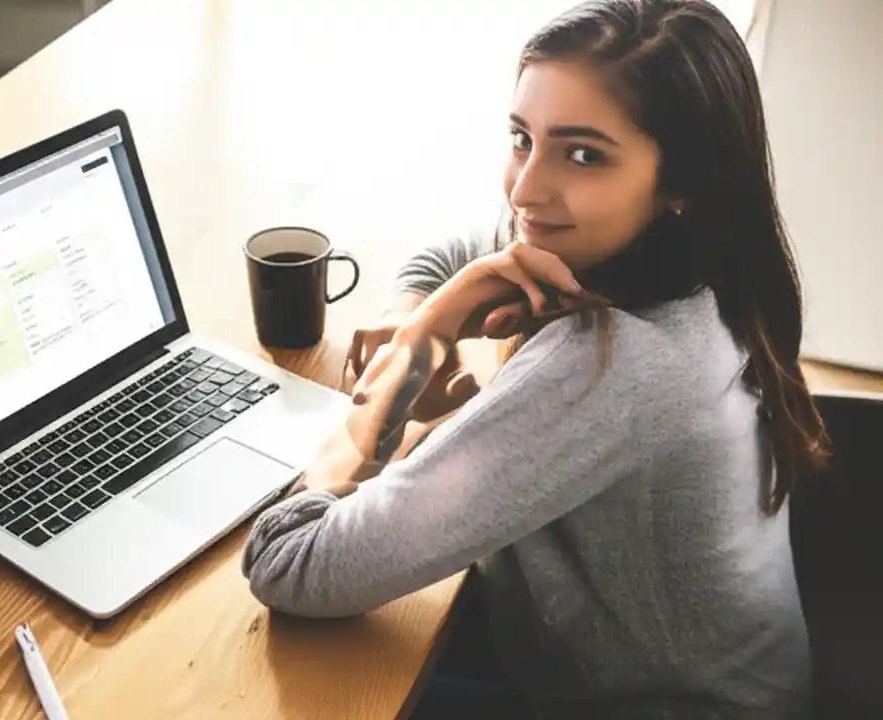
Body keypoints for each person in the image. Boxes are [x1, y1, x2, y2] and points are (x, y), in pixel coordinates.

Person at [241, 0, 829, 717]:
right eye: (522, 138)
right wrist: (422, 308)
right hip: (588, 663)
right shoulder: (683, 256)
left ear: (683, 183)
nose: (526, 189)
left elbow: (291, 566)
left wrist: (409, 359)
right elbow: (461, 249)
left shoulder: (621, 365)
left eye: (583, 154)